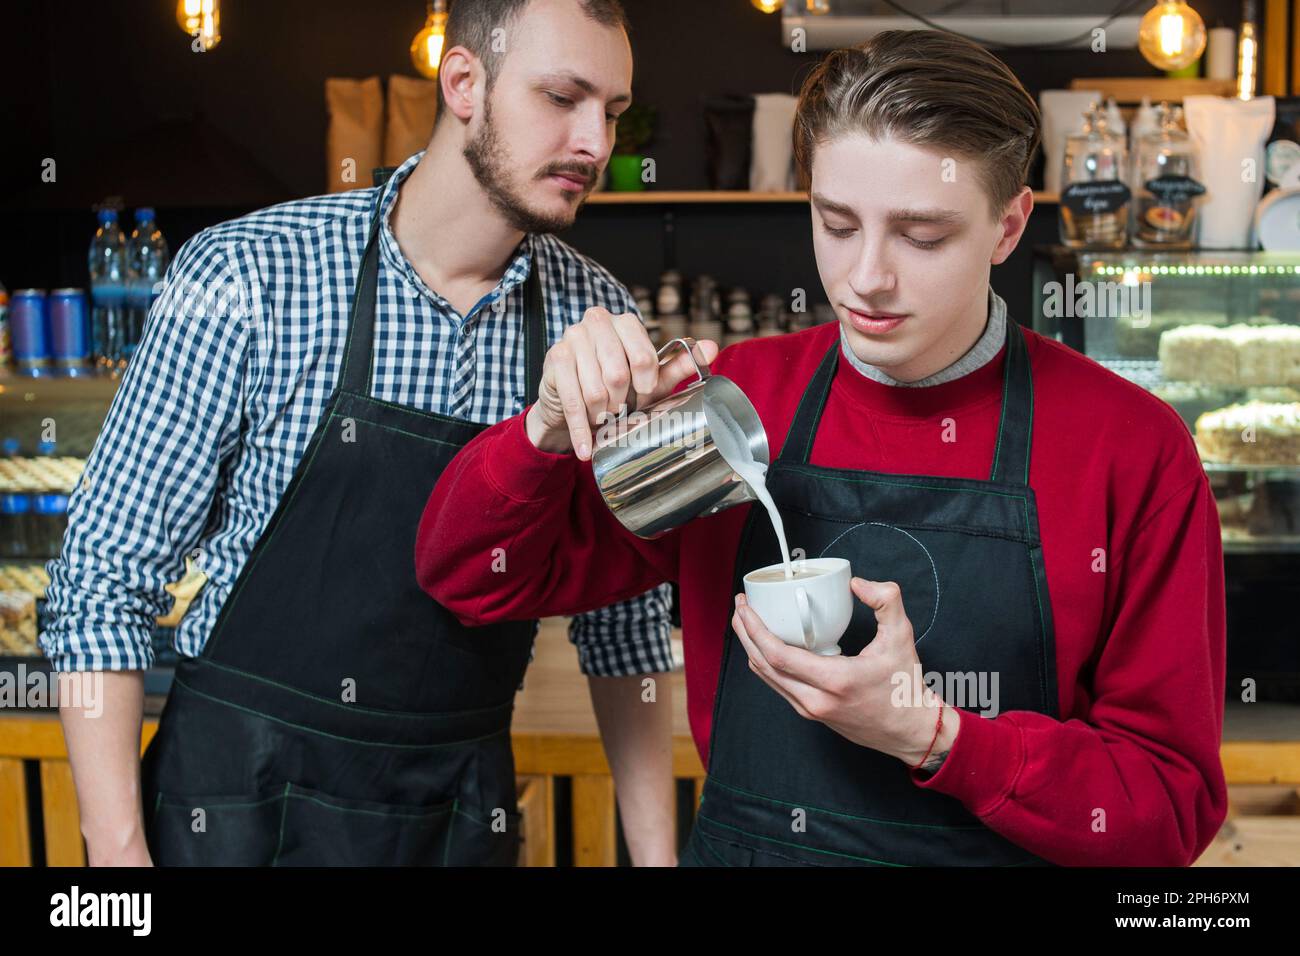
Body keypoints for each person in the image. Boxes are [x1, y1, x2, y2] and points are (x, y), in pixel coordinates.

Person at [417, 29, 1229, 866]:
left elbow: (1166, 811)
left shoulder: (1129, 448)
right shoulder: (736, 402)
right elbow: (469, 576)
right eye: (837, 222)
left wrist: (934, 734)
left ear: (1009, 225)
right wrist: (544, 429)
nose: (864, 278)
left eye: (921, 236)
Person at [42, 0, 680, 867]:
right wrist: (119, 863)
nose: (597, 143)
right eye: (562, 98)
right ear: (463, 82)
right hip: (234, 805)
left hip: (458, 813)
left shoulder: (595, 317)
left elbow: (626, 625)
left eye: (611, 111)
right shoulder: (250, 274)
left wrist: (655, 863)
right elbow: (103, 582)